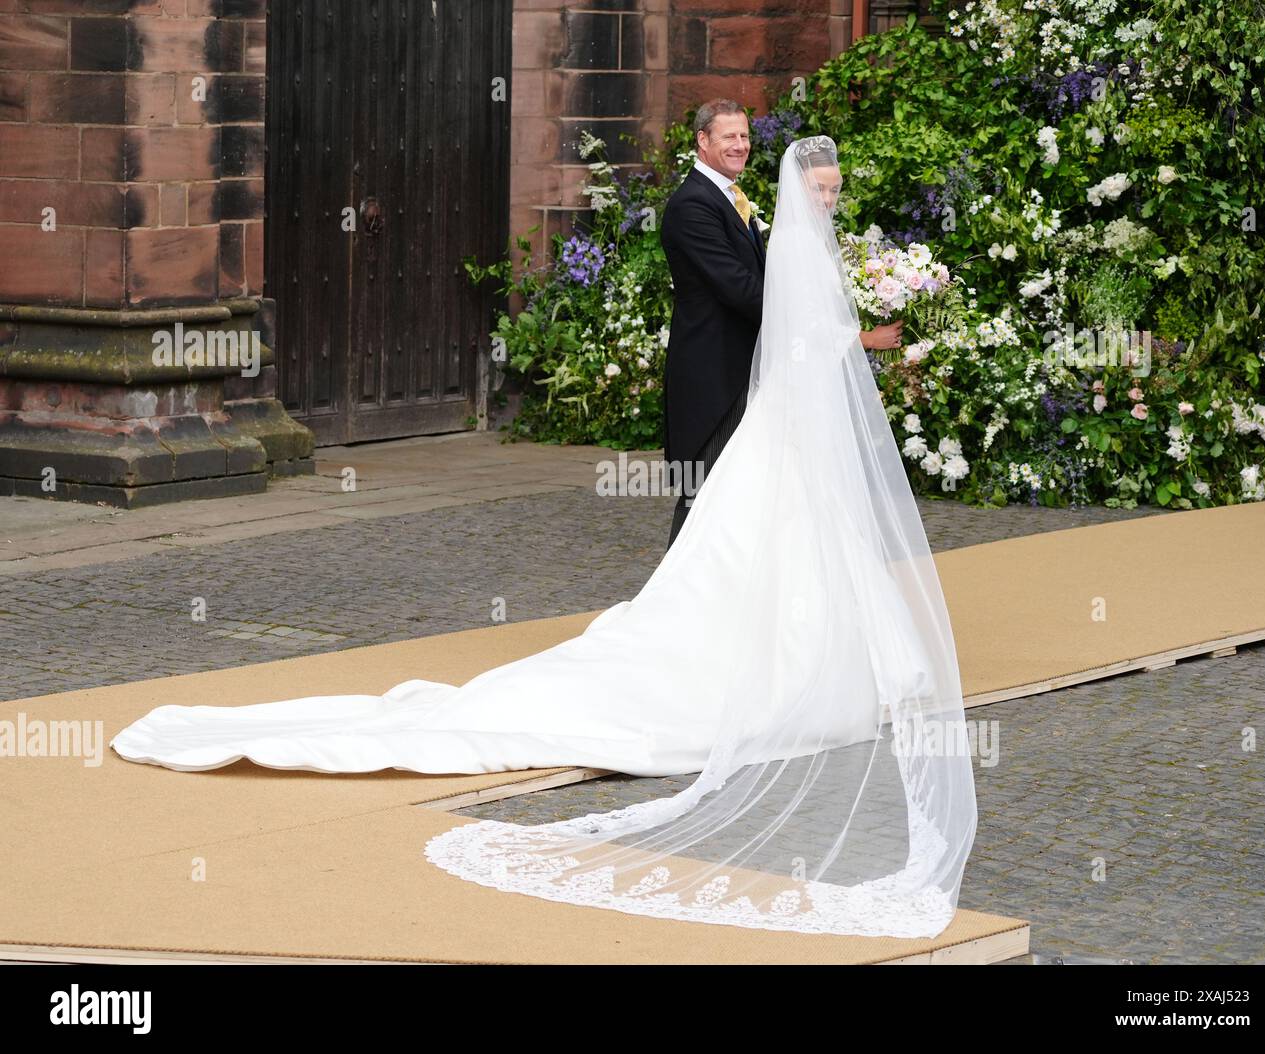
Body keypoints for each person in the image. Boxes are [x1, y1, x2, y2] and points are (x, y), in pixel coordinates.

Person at [111, 135, 977, 941]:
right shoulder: (765, 239)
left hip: (787, 428)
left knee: (789, 538)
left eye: (832, 191)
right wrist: (864, 333)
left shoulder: (784, 235)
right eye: (820, 190)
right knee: (748, 541)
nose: (827, 201)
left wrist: (853, 325)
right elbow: (786, 334)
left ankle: (832, 656)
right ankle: (768, 667)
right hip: (779, 423)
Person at [659, 99, 903, 548]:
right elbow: (738, 288)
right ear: (702, 141)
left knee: (741, 493)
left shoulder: (731, 199)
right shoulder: (692, 205)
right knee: (705, 494)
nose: (740, 145)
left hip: (752, 368)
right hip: (715, 374)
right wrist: (830, 333)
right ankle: (676, 601)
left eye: (745, 136)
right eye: (728, 136)